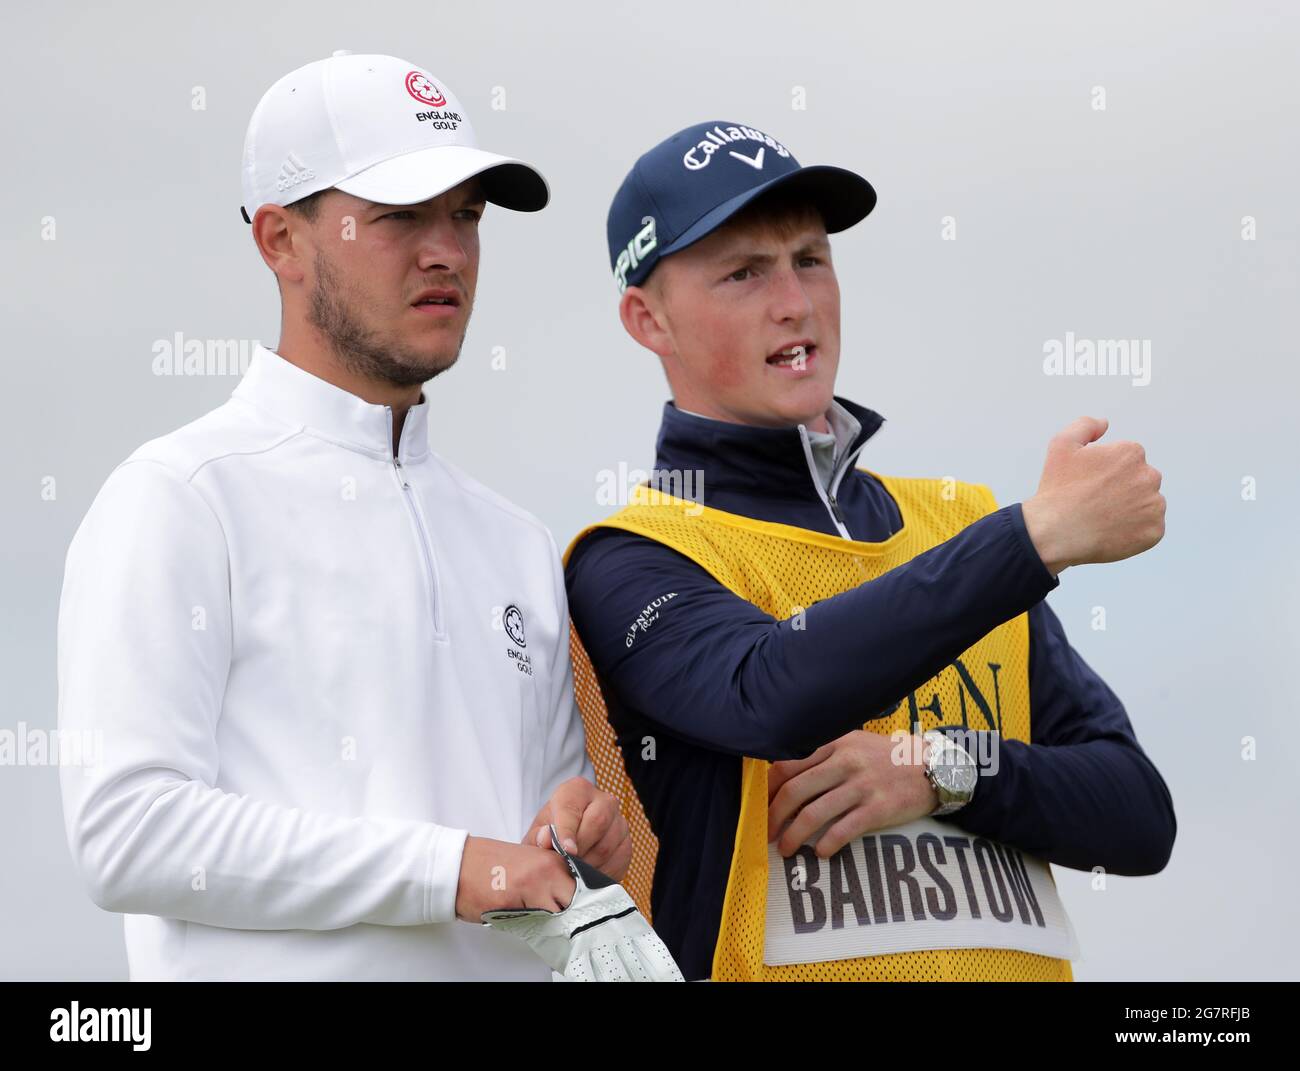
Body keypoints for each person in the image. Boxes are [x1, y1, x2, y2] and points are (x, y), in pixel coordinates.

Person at [56, 50, 635, 981]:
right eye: (400, 214)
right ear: (280, 240)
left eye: (466, 215)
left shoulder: (518, 542)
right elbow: (126, 832)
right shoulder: (179, 496)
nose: (447, 250)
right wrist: (449, 868)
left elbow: (539, 845)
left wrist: (576, 832)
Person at [563, 120, 1176, 982]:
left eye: (810, 258)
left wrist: (943, 769)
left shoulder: (959, 523)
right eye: (744, 272)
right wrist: (1034, 538)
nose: (795, 301)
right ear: (647, 319)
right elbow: (768, 693)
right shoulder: (629, 558)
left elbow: (1139, 817)